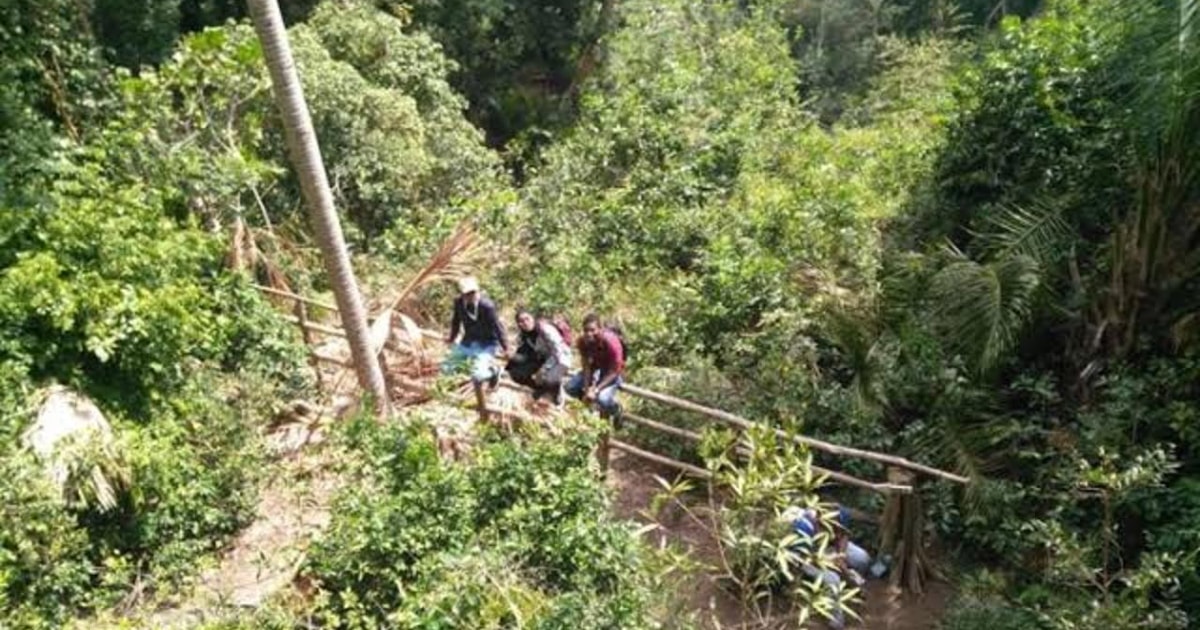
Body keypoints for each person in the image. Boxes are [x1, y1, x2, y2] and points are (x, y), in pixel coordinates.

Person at [783, 505, 873, 629]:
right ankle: (836, 622)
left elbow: (843, 535)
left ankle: (852, 588)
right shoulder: (804, 526)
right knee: (833, 579)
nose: (834, 528)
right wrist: (831, 563)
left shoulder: (839, 513)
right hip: (805, 555)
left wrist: (841, 556)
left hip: (829, 548)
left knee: (862, 559)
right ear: (819, 518)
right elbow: (804, 556)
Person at [443, 276, 508, 387]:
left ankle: (495, 371)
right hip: (468, 342)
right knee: (446, 368)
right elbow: (456, 321)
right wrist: (451, 338)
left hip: (487, 343)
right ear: (462, 294)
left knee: (478, 375)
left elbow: (497, 327)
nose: (471, 296)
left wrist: (505, 347)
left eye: (473, 292)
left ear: (478, 291)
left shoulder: (487, 306)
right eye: (467, 293)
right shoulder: (459, 303)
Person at [565, 313, 625, 422]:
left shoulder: (611, 342)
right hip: (596, 367)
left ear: (600, 329)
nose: (589, 334)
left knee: (603, 399)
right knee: (570, 387)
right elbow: (586, 366)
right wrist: (586, 389)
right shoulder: (583, 342)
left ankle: (616, 409)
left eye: (592, 330)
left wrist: (596, 390)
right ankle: (590, 404)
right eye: (586, 330)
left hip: (612, 372)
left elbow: (615, 370)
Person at [506, 308, 573, 405]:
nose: (525, 323)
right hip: (543, 358)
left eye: (527, 319)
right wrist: (512, 358)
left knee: (549, 379)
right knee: (516, 373)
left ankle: (556, 390)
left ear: (533, 318)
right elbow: (525, 354)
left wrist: (543, 369)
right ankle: (540, 388)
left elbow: (558, 351)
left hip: (561, 358)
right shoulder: (524, 335)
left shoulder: (545, 329)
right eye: (521, 321)